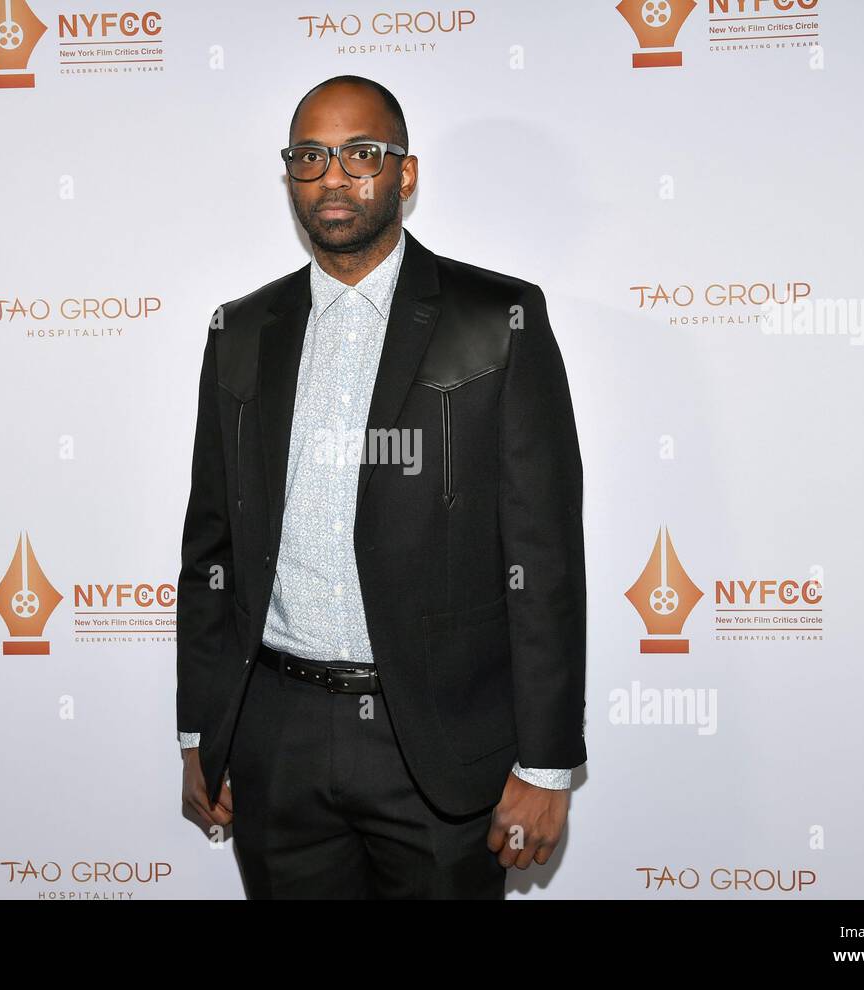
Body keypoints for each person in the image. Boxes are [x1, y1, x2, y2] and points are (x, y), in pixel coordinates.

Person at [176, 74, 587, 898]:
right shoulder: (240, 331)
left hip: (436, 741)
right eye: (310, 156)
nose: (334, 176)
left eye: (361, 153)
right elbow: (210, 545)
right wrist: (201, 729)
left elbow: (542, 559)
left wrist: (546, 764)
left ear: (404, 174)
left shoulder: (496, 319)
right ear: (290, 175)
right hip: (278, 732)